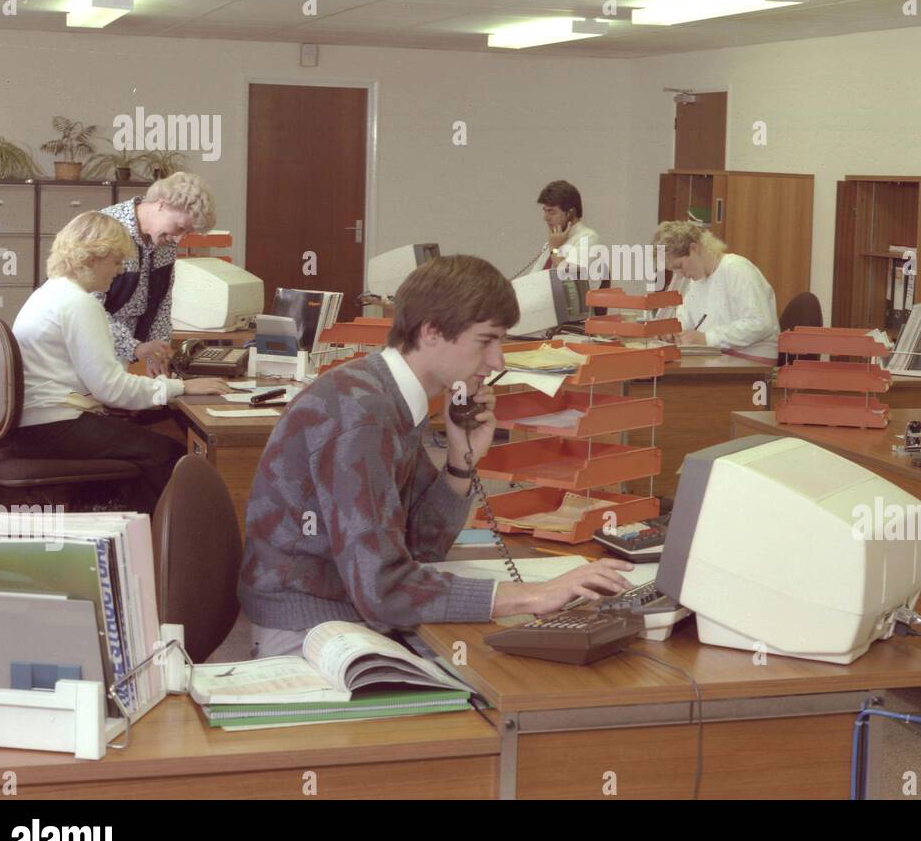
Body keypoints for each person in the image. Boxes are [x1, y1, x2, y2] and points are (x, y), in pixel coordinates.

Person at [238, 254, 633, 658]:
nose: (497, 361)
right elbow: (383, 589)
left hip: (348, 607)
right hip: (309, 627)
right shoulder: (363, 416)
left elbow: (420, 549)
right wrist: (533, 595)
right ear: (431, 332)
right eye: (486, 341)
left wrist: (460, 462)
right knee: (497, 674)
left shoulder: (389, 395)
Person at [9, 212, 228, 511]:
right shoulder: (79, 304)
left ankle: (120, 522)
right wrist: (181, 387)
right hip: (53, 426)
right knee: (171, 455)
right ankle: (152, 537)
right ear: (92, 258)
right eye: (115, 261)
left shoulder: (49, 293)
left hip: (34, 427)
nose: (119, 271)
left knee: (138, 440)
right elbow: (110, 389)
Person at [98, 172, 217, 375]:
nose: (179, 239)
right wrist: (135, 347)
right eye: (180, 227)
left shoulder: (165, 242)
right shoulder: (106, 230)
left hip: (122, 353)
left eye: (187, 232)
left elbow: (162, 302)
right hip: (88, 350)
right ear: (161, 204)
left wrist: (157, 352)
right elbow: (89, 311)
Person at [651, 221, 780, 363]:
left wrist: (708, 338)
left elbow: (760, 323)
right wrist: (673, 333)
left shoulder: (736, 268)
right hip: (716, 355)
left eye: (679, 265)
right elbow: (686, 322)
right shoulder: (696, 281)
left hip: (752, 360)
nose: (680, 275)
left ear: (694, 248)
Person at [525, 180, 600, 275]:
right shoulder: (555, 240)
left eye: (551, 212)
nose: (545, 218)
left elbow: (569, 279)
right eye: (545, 211)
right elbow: (532, 278)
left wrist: (555, 249)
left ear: (570, 213)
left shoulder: (588, 238)